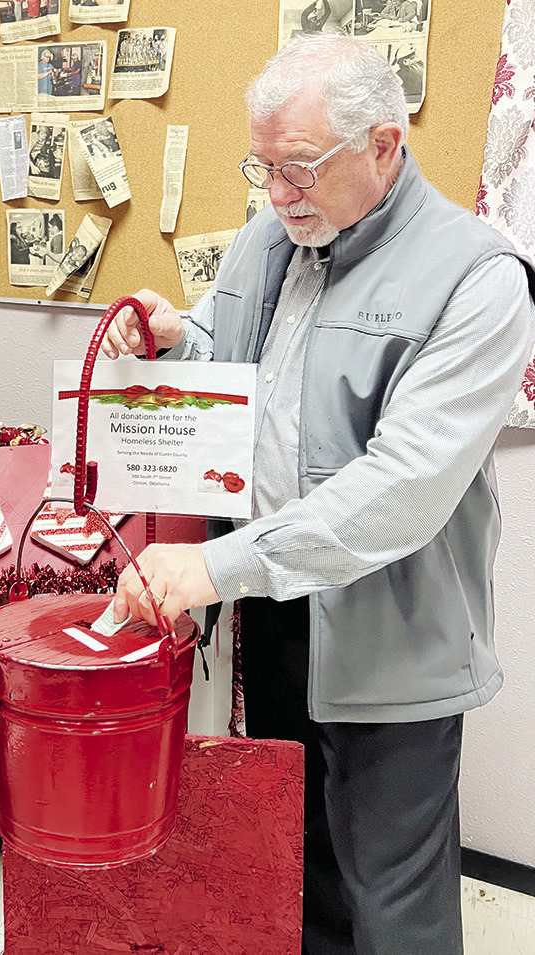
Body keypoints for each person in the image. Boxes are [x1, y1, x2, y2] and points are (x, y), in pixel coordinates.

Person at [101, 34, 535, 955]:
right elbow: (233, 364)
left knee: (393, 899)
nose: (277, 193)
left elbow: (402, 487)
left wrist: (213, 565)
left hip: (394, 638)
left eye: (298, 167)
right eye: (263, 167)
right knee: (302, 866)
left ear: (384, 144)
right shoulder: (272, 237)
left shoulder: (479, 276)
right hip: (274, 604)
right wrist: (178, 342)